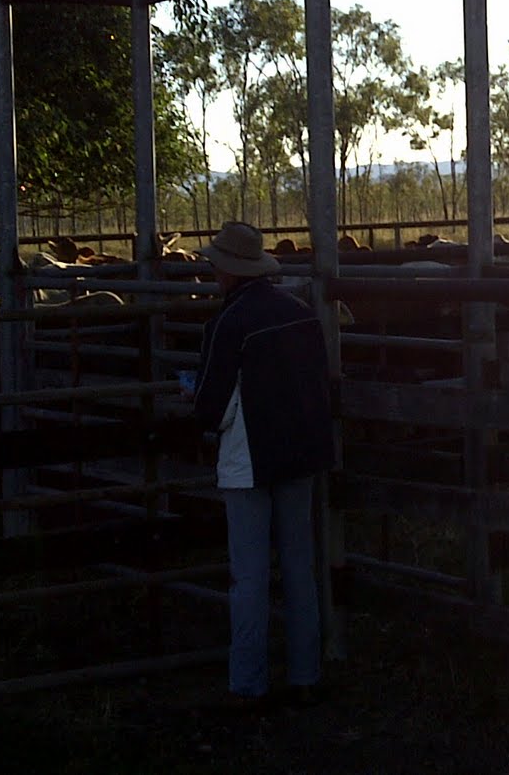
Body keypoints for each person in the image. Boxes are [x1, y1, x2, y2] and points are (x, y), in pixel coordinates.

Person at [190, 221, 335, 708]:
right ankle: (305, 675)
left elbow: (210, 404)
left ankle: (248, 683)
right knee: (299, 566)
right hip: (302, 454)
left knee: (248, 575)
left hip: (249, 458)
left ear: (229, 271)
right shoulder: (301, 314)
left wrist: (191, 405)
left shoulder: (227, 324)